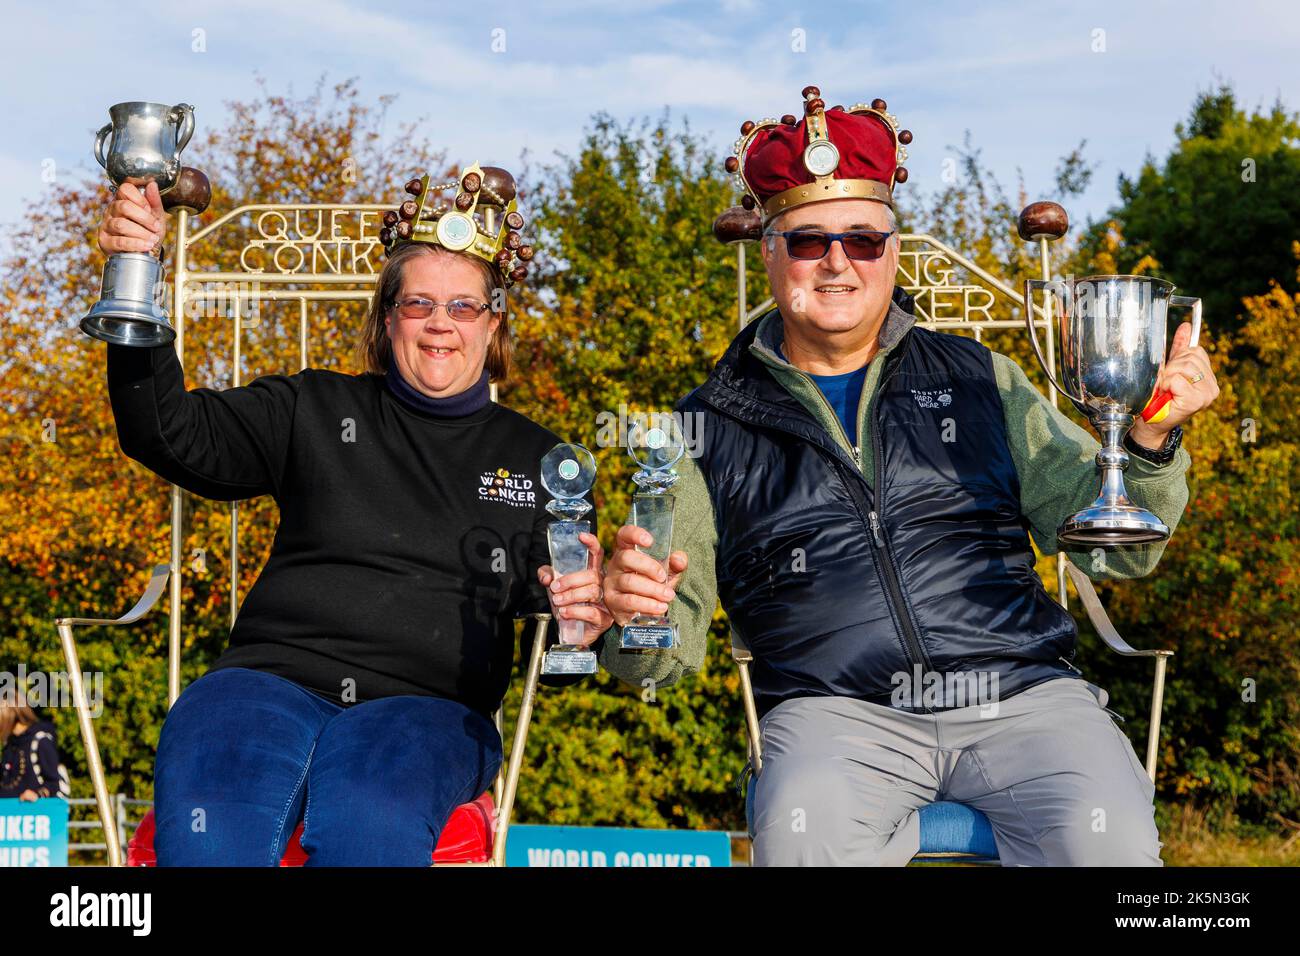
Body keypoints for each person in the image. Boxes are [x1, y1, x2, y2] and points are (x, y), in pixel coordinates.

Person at [597, 86, 1221, 865]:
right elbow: (657, 657)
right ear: (768, 251)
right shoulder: (697, 426)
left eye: (863, 239)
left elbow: (1117, 549)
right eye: (807, 240)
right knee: (801, 840)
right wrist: (632, 614)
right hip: (833, 716)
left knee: (1113, 847)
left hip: (1022, 698)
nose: (836, 261)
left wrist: (1151, 436)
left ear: (894, 249)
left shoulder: (981, 378)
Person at [96, 164, 612, 865]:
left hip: (428, 708)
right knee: (212, 832)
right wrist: (135, 271)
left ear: (495, 323)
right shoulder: (315, 409)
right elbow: (165, 433)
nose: (439, 324)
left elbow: (558, 634)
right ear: (387, 316)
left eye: (463, 307)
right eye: (417, 303)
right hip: (265, 684)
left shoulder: (544, 461)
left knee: (368, 824)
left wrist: (593, 610)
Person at [0, 695, 71, 801]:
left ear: (11, 713)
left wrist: (37, 794)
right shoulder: (9, 745)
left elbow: (54, 784)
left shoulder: (40, 741)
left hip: (35, 813)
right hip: (9, 814)